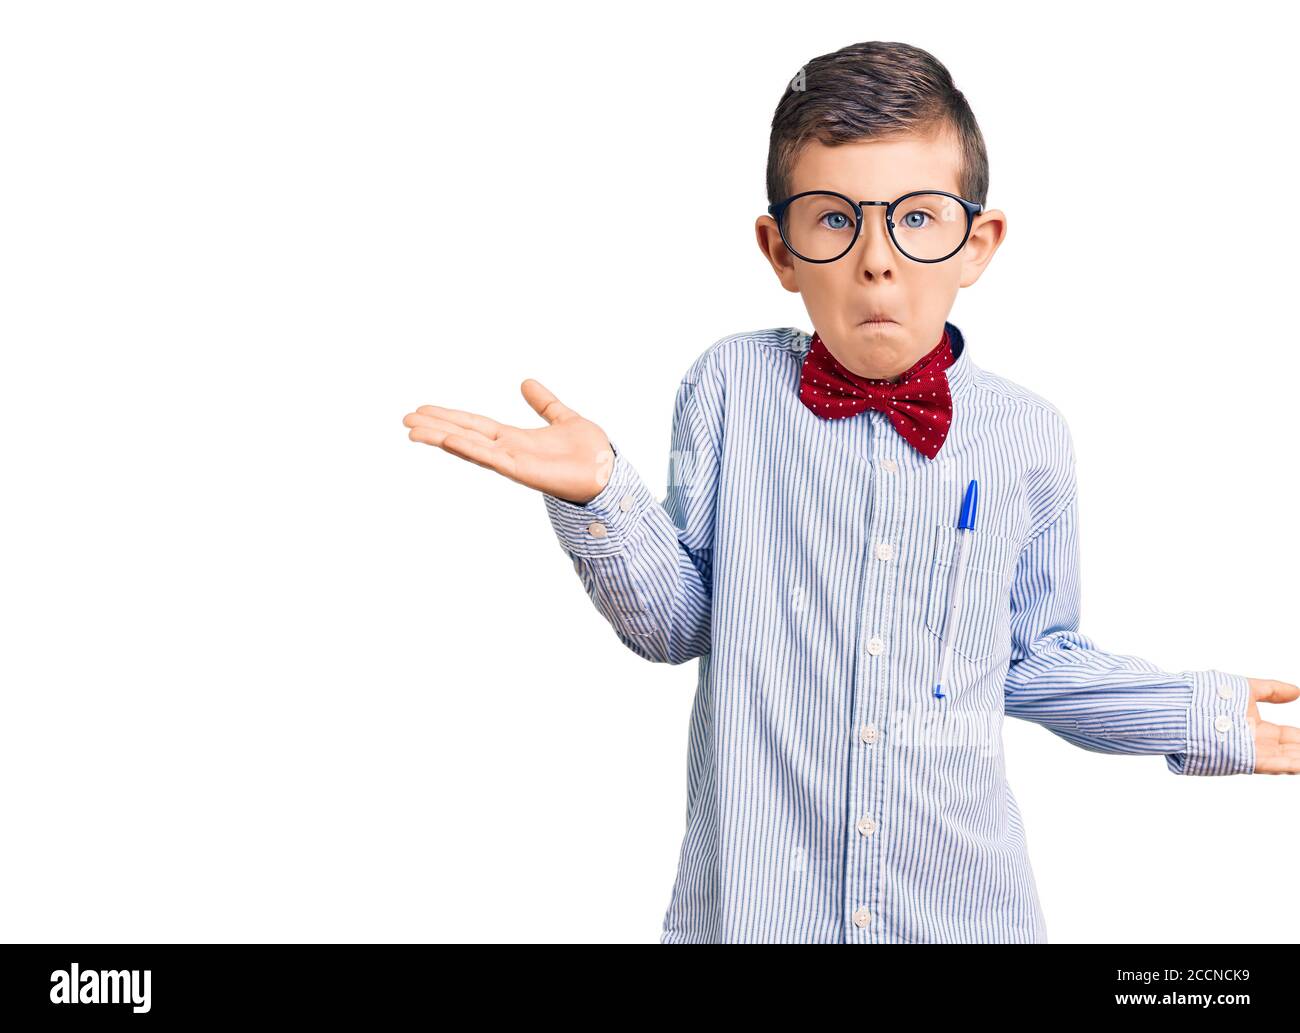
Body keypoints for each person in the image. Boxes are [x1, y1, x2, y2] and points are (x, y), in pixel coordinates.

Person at [402, 40, 1300, 943]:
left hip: (960, 913)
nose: (878, 259)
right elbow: (679, 621)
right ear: (779, 248)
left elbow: (1029, 660)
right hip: (754, 914)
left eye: (918, 218)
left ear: (977, 244)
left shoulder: (1030, 437)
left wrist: (1197, 714)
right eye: (834, 220)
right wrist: (603, 495)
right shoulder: (728, 387)